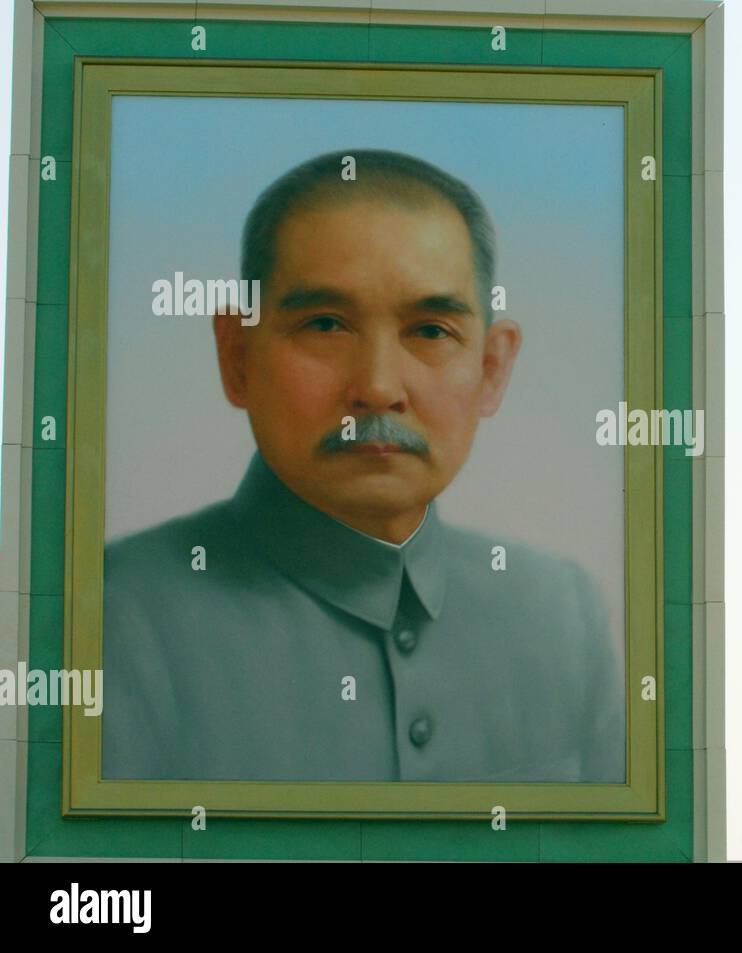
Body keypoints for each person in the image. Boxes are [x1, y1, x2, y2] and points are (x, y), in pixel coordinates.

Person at [102, 150, 625, 783]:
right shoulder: (114, 615)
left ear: (492, 368)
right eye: (325, 324)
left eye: (430, 331)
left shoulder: (560, 614)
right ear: (237, 356)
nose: (377, 388)